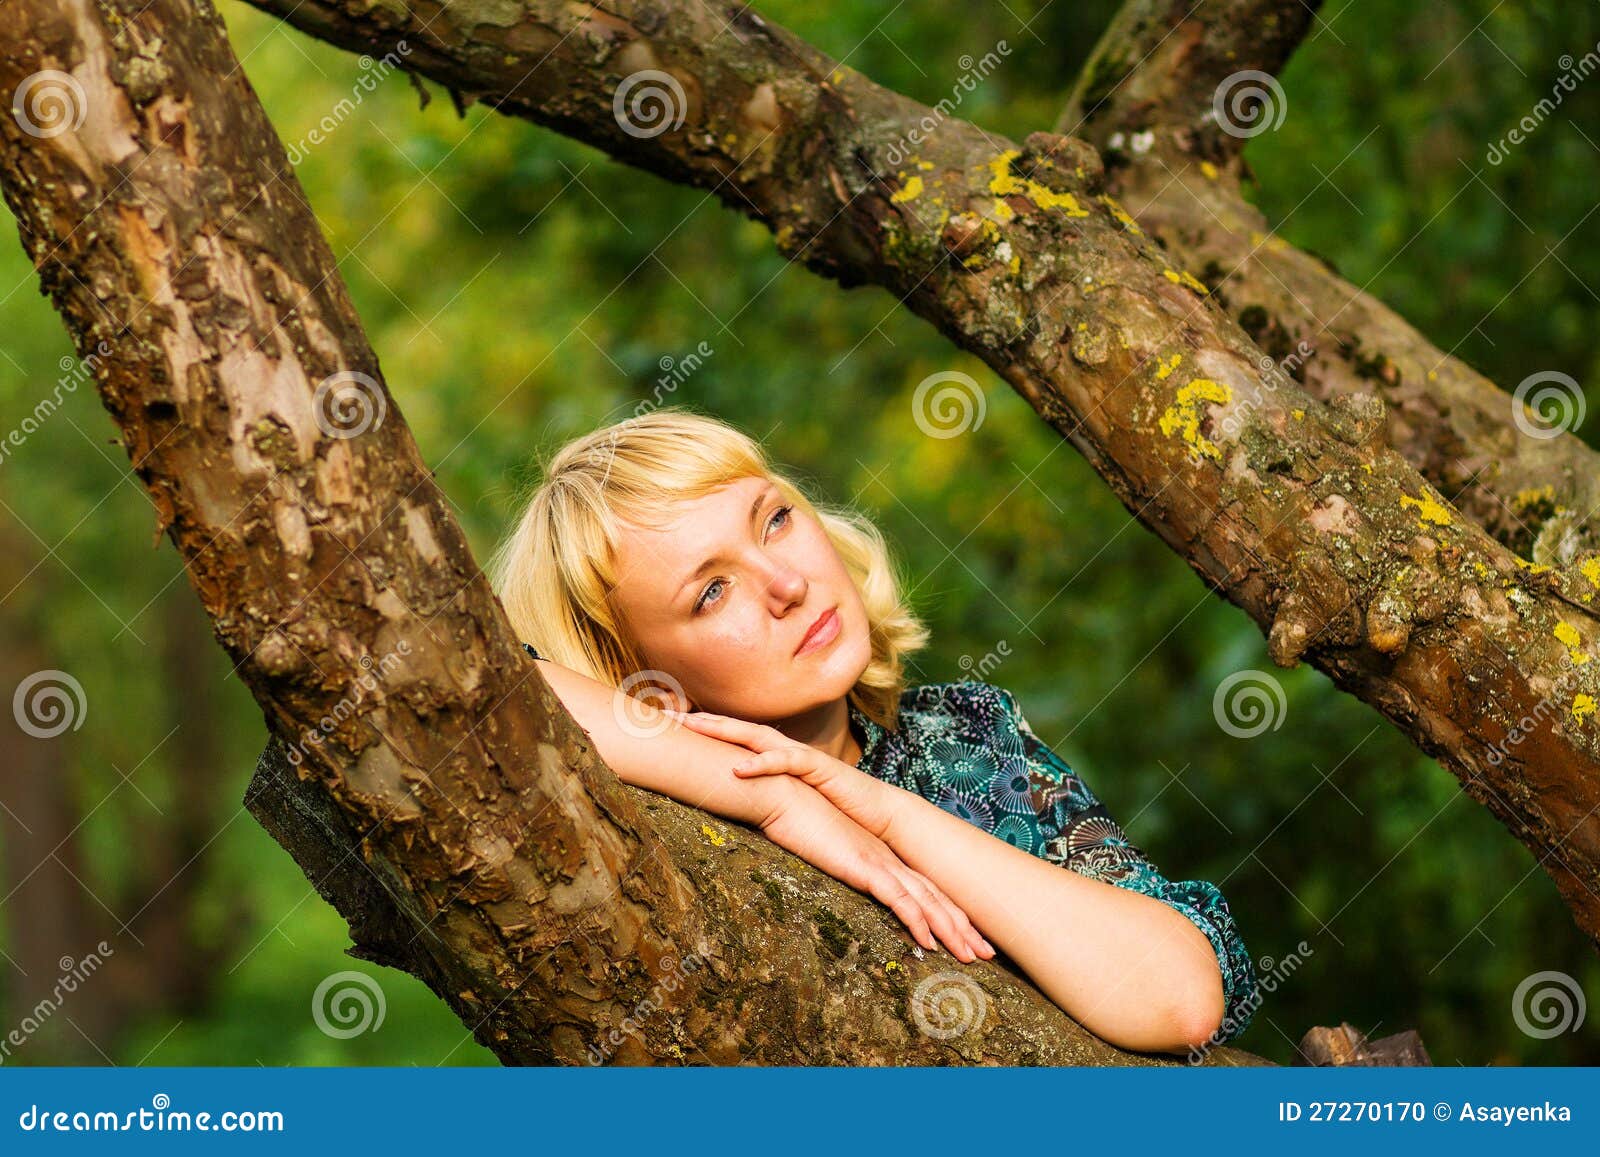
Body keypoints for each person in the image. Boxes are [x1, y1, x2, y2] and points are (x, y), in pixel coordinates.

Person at [485, 407, 1257, 1055]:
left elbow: (1179, 998)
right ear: (632, 673)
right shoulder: (636, 811)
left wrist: (885, 813)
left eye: (774, 519)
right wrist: (776, 798)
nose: (789, 583)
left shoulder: (959, 736)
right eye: (712, 590)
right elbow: (484, 685)